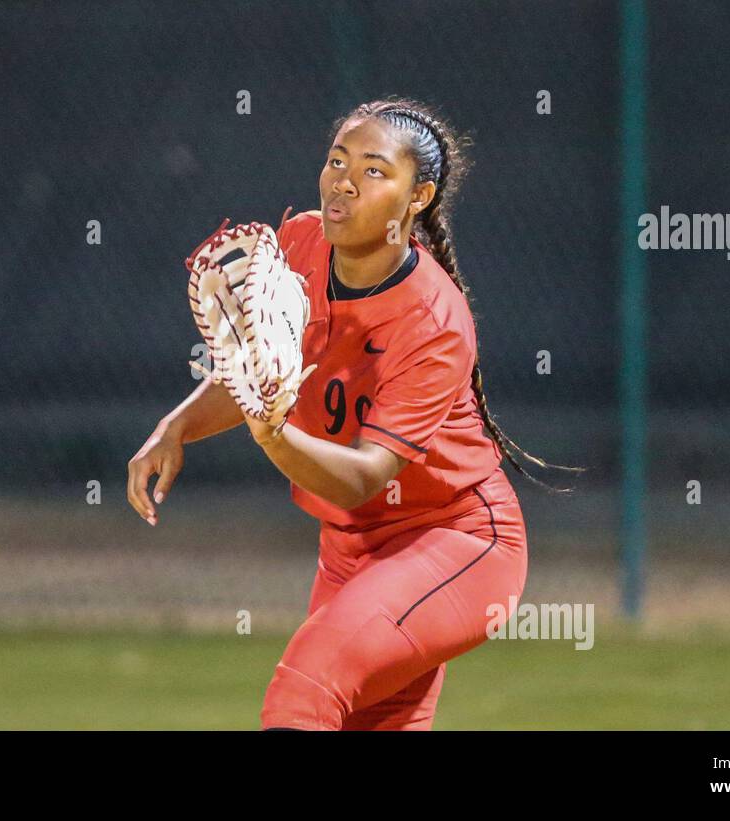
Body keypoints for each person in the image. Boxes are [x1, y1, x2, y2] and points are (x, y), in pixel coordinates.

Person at [128, 97, 575, 730]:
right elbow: (258, 374)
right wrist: (176, 427)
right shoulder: (301, 243)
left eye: (373, 170)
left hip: (454, 543)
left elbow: (366, 475)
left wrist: (274, 437)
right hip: (351, 548)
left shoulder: (432, 320)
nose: (344, 179)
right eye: (338, 160)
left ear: (417, 198)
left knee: (303, 694)